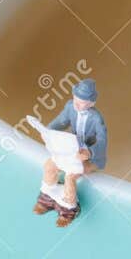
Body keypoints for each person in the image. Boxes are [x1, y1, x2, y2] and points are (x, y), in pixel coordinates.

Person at [33, 78, 107, 228]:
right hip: (71, 151)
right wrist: (48, 132)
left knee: (70, 176)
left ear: (91, 103)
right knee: (49, 165)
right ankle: (47, 197)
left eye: (82, 102)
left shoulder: (96, 118)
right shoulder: (70, 107)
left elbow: (102, 140)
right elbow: (61, 121)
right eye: (75, 99)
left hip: (88, 158)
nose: (76, 104)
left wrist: (89, 152)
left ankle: (69, 209)